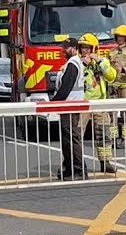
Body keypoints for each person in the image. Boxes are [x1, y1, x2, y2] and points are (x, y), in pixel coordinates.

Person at [77, 33, 118, 174]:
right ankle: (78, 164)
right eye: (82, 47)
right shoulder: (76, 62)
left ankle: (105, 162)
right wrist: (83, 64)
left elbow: (111, 76)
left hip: (100, 102)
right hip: (82, 103)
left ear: (94, 48)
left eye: (88, 48)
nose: (84, 51)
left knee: (104, 134)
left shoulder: (102, 61)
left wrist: (99, 62)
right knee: (77, 135)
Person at [49, 38, 87, 180]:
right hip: (69, 106)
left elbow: (65, 88)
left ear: (73, 48)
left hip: (70, 106)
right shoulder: (73, 63)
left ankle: (78, 170)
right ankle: (70, 169)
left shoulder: (73, 64)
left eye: (65, 47)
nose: (63, 50)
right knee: (68, 139)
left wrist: (53, 103)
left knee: (72, 139)